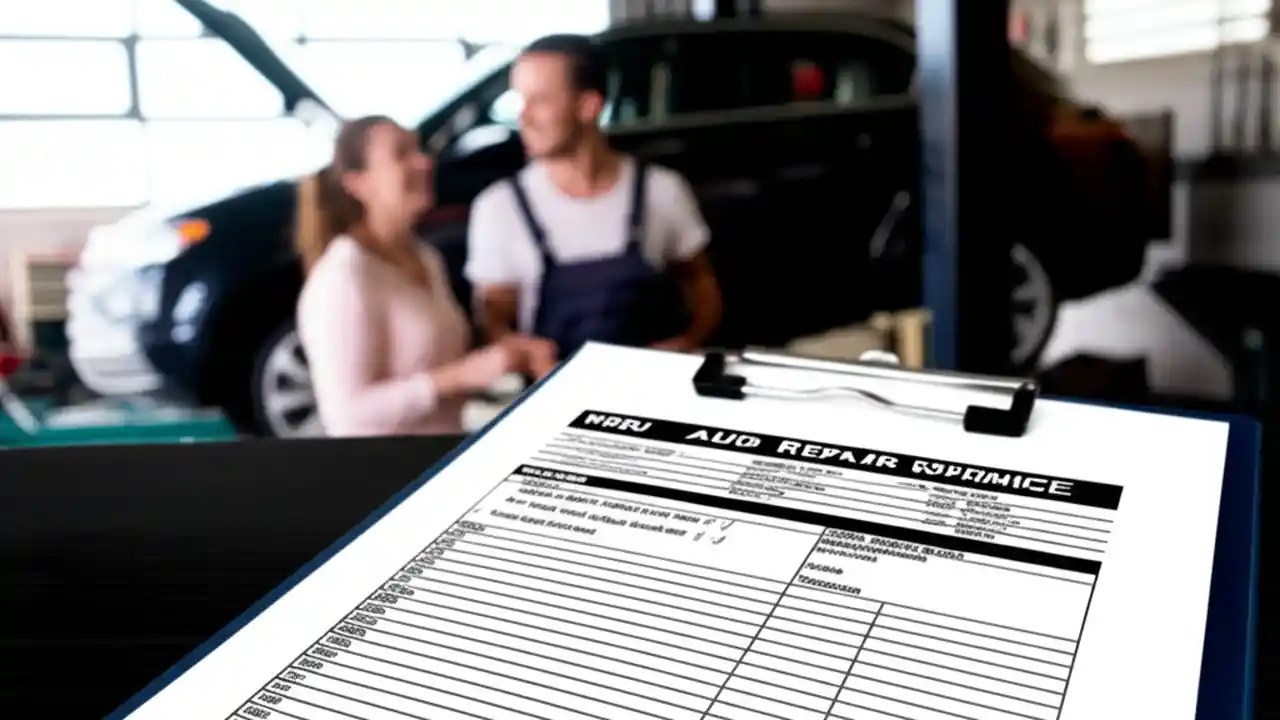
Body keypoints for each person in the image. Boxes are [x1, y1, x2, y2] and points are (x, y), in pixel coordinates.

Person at [465, 34, 723, 359]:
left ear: (588, 106)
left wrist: (688, 341)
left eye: (541, 100)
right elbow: (494, 321)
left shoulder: (661, 189)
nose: (524, 118)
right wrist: (528, 356)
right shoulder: (498, 207)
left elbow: (700, 282)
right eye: (521, 100)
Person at [295, 115, 553, 437]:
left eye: (419, 149)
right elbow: (347, 417)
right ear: (358, 184)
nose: (424, 162)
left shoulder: (424, 257)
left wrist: (511, 354)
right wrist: (461, 376)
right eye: (402, 154)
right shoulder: (344, 276)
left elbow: (439, 366)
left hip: (440, 458)